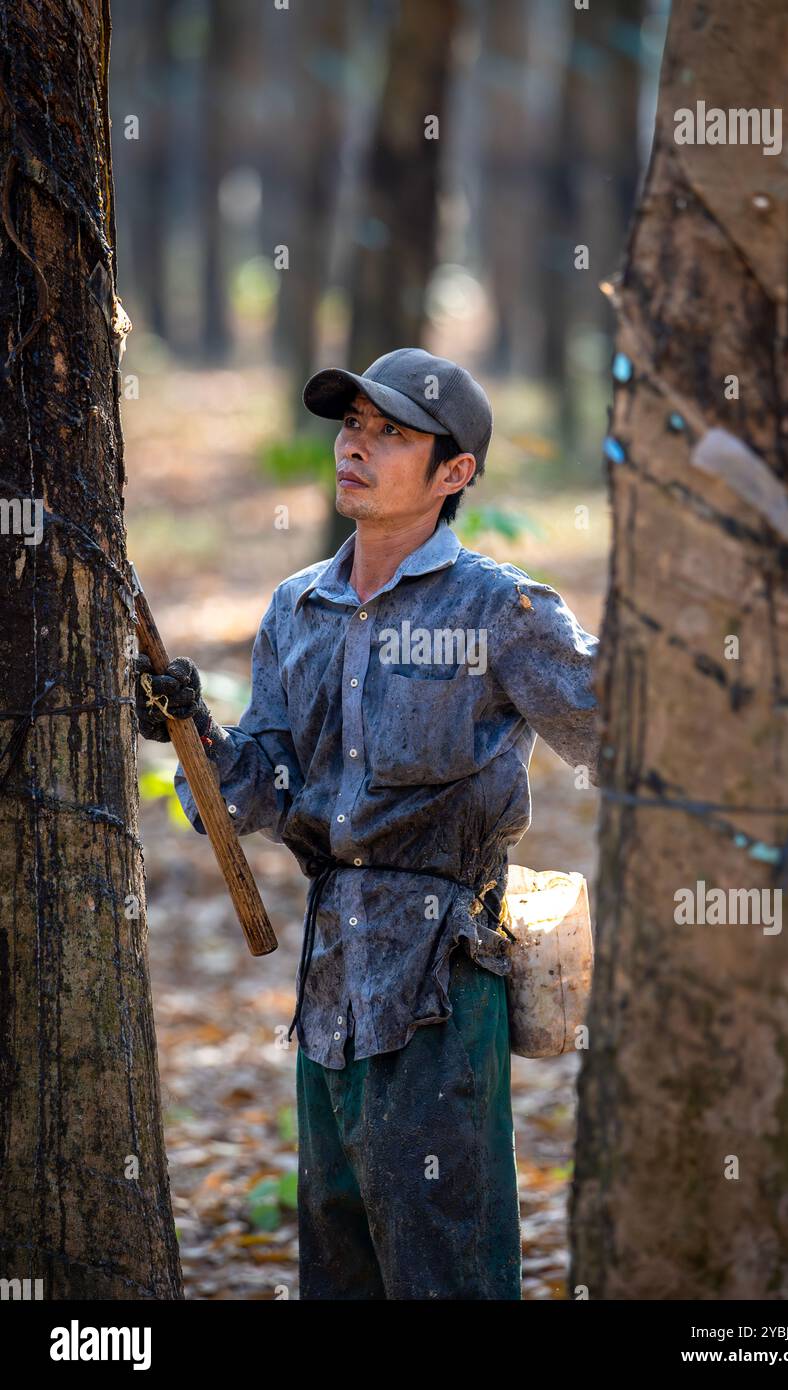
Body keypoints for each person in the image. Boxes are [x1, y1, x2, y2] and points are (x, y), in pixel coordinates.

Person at [135, 347, 600, 1300]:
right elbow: (257, 792)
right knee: (337, 1269)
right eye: (352, 426)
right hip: (330, 992)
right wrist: (194, 732)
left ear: (455, 473)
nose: (358, 447)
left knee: (448, 1272)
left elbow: (621, 727)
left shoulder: (498, 608)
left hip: (440, 985)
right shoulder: (296, 608)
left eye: (393, 434)